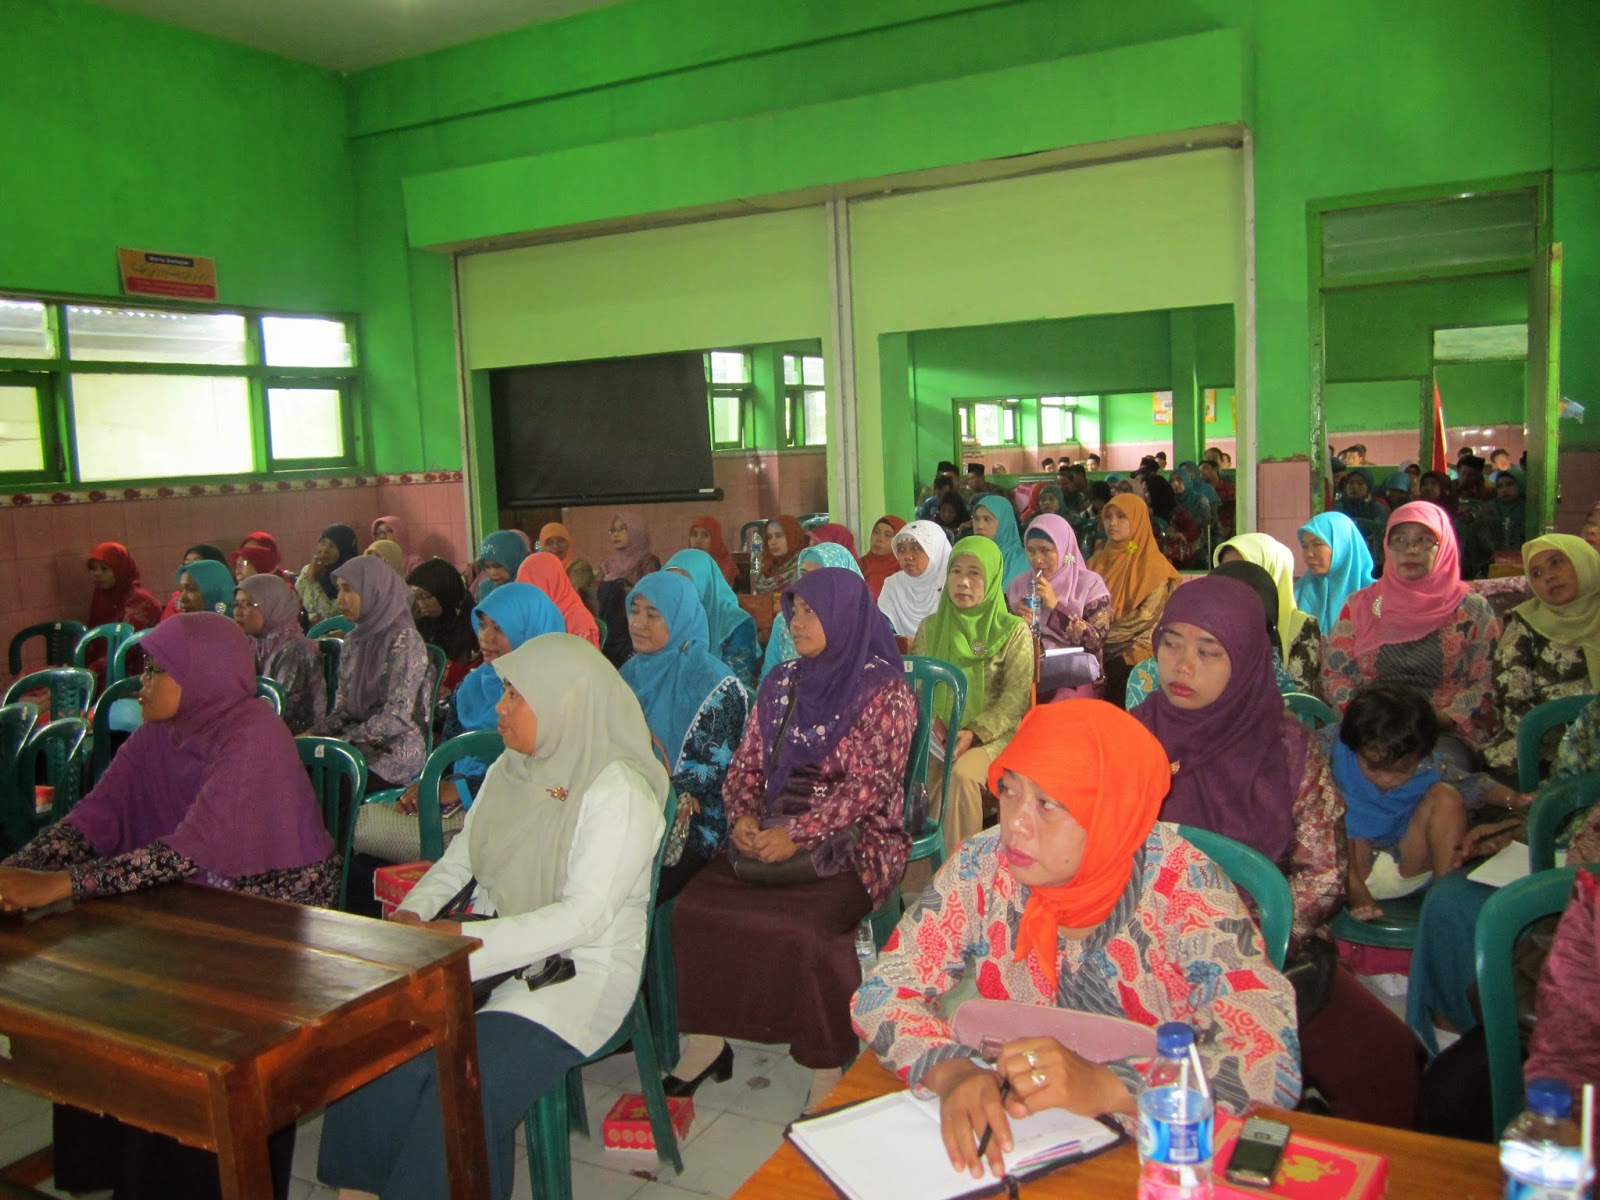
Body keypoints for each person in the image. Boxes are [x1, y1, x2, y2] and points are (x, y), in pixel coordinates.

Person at [851, 700, 1299, 1178]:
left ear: (1110, 810)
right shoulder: (982, 868)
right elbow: (882, 992)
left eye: (1048, 804)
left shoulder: (1183, 888)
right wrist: (952, 1070)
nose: (1015, 824)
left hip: (1158, 1158)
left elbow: (1271, 1059)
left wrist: (1108, 1085)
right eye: (1009, 790)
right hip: (1030, 1145)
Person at [0, 613, 338, 1200]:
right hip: (191, 903)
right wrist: (19, 872)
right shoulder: (162, 732)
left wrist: (63, 886)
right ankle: (115, 1167)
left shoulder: (252, 733)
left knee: (148, 997)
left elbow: (187, 852)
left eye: (158, 671)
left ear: (201, 674)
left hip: (267, 928)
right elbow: (94, 819)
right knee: (91, 990)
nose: (143, 685)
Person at [318, 634, 668, 1200]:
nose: (499, 707)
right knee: (376, 1040)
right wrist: (414, 913)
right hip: (489, 944)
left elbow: (583, 918)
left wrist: (459, 943)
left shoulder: (617, 790)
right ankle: (357, 1191)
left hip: (572, 976)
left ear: (563, 704)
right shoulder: (515, 767)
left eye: (514, 695)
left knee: (461, 1078)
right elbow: (464, 854)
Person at [1130, 575, 1424, 1128]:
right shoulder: (1130, 738)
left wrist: (1240, 940)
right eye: (1171, 642)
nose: (1181, 665)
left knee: (1387, 1059)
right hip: (1143, 955)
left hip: (1269, 952)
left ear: (1245, 658)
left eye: (1208, 650)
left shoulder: (1288, 749)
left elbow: (1323, 874)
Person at [668, 569, 914, 1112]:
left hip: (857, 841)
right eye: (792, 611)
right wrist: (742, 821)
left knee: (805, 928)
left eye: (809, 612)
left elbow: (871, 787)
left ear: (844, 616)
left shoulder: (885, 691)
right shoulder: (782, 681)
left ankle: (826, 1066)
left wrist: (799, 837)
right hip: (773, 829)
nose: (795, 622)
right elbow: (747, 763)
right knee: (694, 907)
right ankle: (707, 1041)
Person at [352, 583, 565, 873]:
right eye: (482, 625)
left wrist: (464, 790)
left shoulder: (554, 693)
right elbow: (448, 754)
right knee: (366, 855)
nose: (486, 638)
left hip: (521, 817)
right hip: (457, 804)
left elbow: (545, 776)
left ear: (528, 631)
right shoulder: (472, 686)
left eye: (499, 629)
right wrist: (426, 789)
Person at [1322, 501, 1502, 749]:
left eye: (1424, 540)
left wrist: (1440, 718)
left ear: (1445, 546)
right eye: (1399, 541)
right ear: (1386, 545)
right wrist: (1366, 716)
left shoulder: (1471, 609)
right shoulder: (1361, 605)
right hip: (1370, 727)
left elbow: (1487, 681)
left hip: (1444, 733)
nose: (1411, 550)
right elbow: (1336, 674)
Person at [620, 571, 750, 901]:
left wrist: (642, 795)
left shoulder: (714, 684)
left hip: (693, 817)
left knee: (625, 887)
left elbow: (709, 775)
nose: (639, 623)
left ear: (679, 618)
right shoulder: (627, 674)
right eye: (634, 610)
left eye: (653, 614)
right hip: (626, 807)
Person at [911, 537, 1033, 859]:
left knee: (961, 778)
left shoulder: (1013, 630)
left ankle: (955, 875)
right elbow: (917, 688)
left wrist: (974, 733)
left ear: (992, 579)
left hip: (992, 737)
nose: (963, 582)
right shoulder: (931, 627)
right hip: (937, 736)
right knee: (912, 774)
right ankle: (910, 885)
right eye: (956, 572)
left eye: (975, 573)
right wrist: (933, 729)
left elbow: (1015, 697)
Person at [1335, 682, 1473, 923]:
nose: (1388, 780)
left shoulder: (1429, 763)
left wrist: (1513, 798)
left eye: (1402, 771)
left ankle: (1444, 897)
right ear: (1353, 745)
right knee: (1329, 804)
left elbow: (1473, 784)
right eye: (1375, 768)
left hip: (1409, 864)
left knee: (1447, 797)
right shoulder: (1327, 747)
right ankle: (1358, 895)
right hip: (1351, 873)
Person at [308, 556, 433, 791]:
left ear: (373, 591)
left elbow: (397, 717)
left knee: (331, 785)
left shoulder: (404, 640)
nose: (340, 599)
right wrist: (314, 735)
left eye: (349, 590)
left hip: (394, 749)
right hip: (355, 743)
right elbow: (343, 708)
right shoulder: (355, 640)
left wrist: (342, 744)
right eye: (338, 590)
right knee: (298, 771)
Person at [1479, 534, 1599, 775]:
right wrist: (1573, 744)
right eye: (1536, 573)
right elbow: (1513, 702)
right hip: (1540, 747)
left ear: (1584, 562)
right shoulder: (1524, 624)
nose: (1549, 577)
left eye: (1556, 562)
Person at [1086, 493, 1180, 707]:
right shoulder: (1095, 562)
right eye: (1108, 517)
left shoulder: (1155, 567)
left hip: (1136, 643)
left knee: (1118, 671)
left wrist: (1096, 637)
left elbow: (1144, 619)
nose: (1113, 523)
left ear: (1137, 520)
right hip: (1095, 643)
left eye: (1121, 517)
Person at [1005, 514, 1111, 699]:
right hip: (1026, 674)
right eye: (1031, 551)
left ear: (1064, 550)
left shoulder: (1089, 585)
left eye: (1045, 550)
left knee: (1063, 702)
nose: (1037, 559)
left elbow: (1095, 641)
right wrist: (1017, 621)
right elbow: (1001, 639)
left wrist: (1055, 606)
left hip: (1075, 676)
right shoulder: (1018, 585)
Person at [1214, 532, 1322, 693]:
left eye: (1243, 571)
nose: (1231, 580)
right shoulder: (1211, 624)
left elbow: (1299, 697)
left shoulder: (1302, 626)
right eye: (1225, 570)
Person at [762, 542, 869, 681]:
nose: (808, 583)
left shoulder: (863, 624)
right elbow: (768, 681)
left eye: (818, 576)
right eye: (804, 574)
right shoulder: (784, 622)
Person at [236, 574, 326, 735]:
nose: (238, 611)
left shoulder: (295, 650)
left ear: (272, 605)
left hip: (291, 736)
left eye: (248, 604)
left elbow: (280, 709)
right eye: (236, 604)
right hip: (255, 728)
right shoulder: (252, 644)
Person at [663, 547, 760, 690]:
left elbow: (735, 687)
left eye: (684, 580)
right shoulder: (662, 618)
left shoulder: (737, 623)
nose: (676, 590)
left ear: (704, 580)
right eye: (670, 582)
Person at [407, 557, 481, 702]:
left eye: (426, 597)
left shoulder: (473, 631)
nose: (421, 604)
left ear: (445, 594)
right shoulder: (422, 625)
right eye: (417, 598)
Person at [1294, 510, 1376, 638]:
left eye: (1317, 544)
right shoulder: (1295, 594)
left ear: (1342, 546)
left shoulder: (1376, 598)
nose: (1309, 554)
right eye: (1305, 546)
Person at [597, 512, 662, 667]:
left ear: (636, 531)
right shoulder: (608, 565)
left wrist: (619, 586)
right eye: (612, 531)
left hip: (634, 635)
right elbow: (595, 598)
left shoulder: (647, 562)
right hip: (608, 638)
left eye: (622, 529)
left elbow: (648, 596)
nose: (616, 535)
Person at [82, 545, 160, 672]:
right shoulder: (103, 598)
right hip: (108, 669)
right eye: (93, 569)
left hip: (139, 674)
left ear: (121, 569)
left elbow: (124, 650)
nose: (97, 574)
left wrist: (88, 673)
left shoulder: (141, 601)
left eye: (104, 569)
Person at [877, 520, 952, 648]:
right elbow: (882, 630)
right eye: (900, 549)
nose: (907, 557)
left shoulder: (951, 585)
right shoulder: (893, 585)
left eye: (916, 548)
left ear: (936, 550)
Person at [515, 551, 601, 647]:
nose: (526, 598)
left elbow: (587, 661)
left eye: (533, 586)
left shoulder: (579, 621)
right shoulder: (532, 618)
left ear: (551, 584)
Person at [296, 523, 359, 626]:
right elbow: (295, 601)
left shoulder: (350, 576)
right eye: (323, 543)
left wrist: (312, 581)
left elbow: (331, 616)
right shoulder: (309, 569)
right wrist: (310, 617)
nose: (325, 550)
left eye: (332, 546)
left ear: (344, 550)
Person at [970, 494, 1028, 591]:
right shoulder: (969, 556)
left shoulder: (1023, 561)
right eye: (976, 519)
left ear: (1004, 522)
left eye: (987, 519)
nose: (980, 526)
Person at [750, 514, 804, 595]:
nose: (773, 542)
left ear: (792, 537)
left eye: (778, 536)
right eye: (769, 537)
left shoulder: (803, 569)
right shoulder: (766, 569)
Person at [857, 514, 906, 601]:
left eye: (888, 535)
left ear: (899, 541)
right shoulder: (860, 564)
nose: (879, 539)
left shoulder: (904, 569)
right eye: (876, 532)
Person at [473, 529, 530, 601]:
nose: (492, 572)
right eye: (487, 567)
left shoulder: (528, 589)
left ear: (513, 560)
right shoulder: (484, 589)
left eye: (498, 566)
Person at [685, 515, 739, 586]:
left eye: (705, 535)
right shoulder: (684, 565)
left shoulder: (726, 569)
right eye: (694, 534)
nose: (698, 540)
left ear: (715, 540)